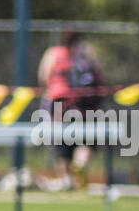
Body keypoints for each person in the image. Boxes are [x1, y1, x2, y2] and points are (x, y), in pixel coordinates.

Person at [38, 29, 104, 189]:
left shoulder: (53, 53)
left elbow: (43, 77)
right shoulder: (87, 53)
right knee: (87, 140)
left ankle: (65, 180)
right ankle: (80, 164)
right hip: (84, 104)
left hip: (59, 103)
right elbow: (99, 77)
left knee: (61, 142)